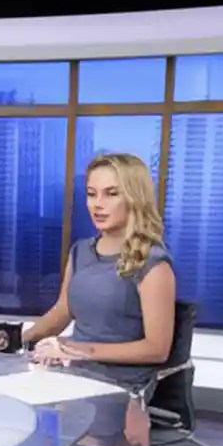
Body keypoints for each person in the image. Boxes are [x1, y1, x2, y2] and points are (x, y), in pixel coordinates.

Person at [21, 152, 176, 389]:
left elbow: (156, 349)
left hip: (121, 385)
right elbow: (62, 311)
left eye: (111, 194)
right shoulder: (80, 251)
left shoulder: (153, 263)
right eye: (92, 194)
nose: (97, 204)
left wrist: (76, 349)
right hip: (72, 372)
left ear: (135, 198)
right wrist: (21, 339)